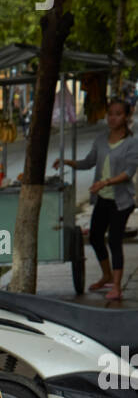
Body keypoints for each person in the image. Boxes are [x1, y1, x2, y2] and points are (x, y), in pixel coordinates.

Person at [55, 97, 138, 302]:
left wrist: (105, 182)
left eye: (118, 114)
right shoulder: (101, 140)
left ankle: (117, 287)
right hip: (103, 198)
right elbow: (89, 162)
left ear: (127, 116)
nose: (113, 118)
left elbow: (128, 173)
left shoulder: (132, 143)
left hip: (122, 200)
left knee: (115, 239)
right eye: (110, 114)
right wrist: (68, 162)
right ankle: (107, 275)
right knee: (94, 237)